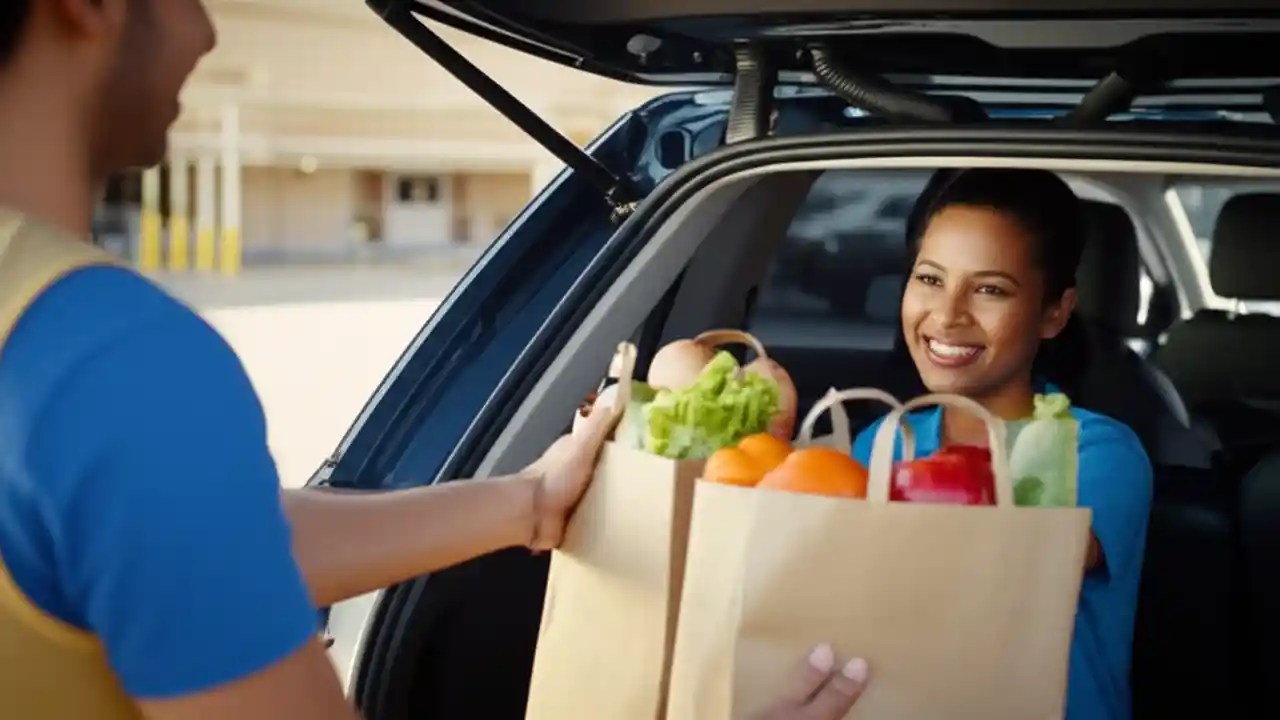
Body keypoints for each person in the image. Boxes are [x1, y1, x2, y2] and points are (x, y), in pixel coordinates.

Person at [0, 1, 867, 718]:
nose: (207, 32)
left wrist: (527, 503)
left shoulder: (57, 349)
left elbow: (192, 534)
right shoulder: (109, 356)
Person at [852, 167, 1154, 720]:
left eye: (990, 289)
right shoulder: (881, 441)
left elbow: (1014, 565)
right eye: (930, 279)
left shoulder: (1096, 451)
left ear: (1055, 312)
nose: (947, 315)